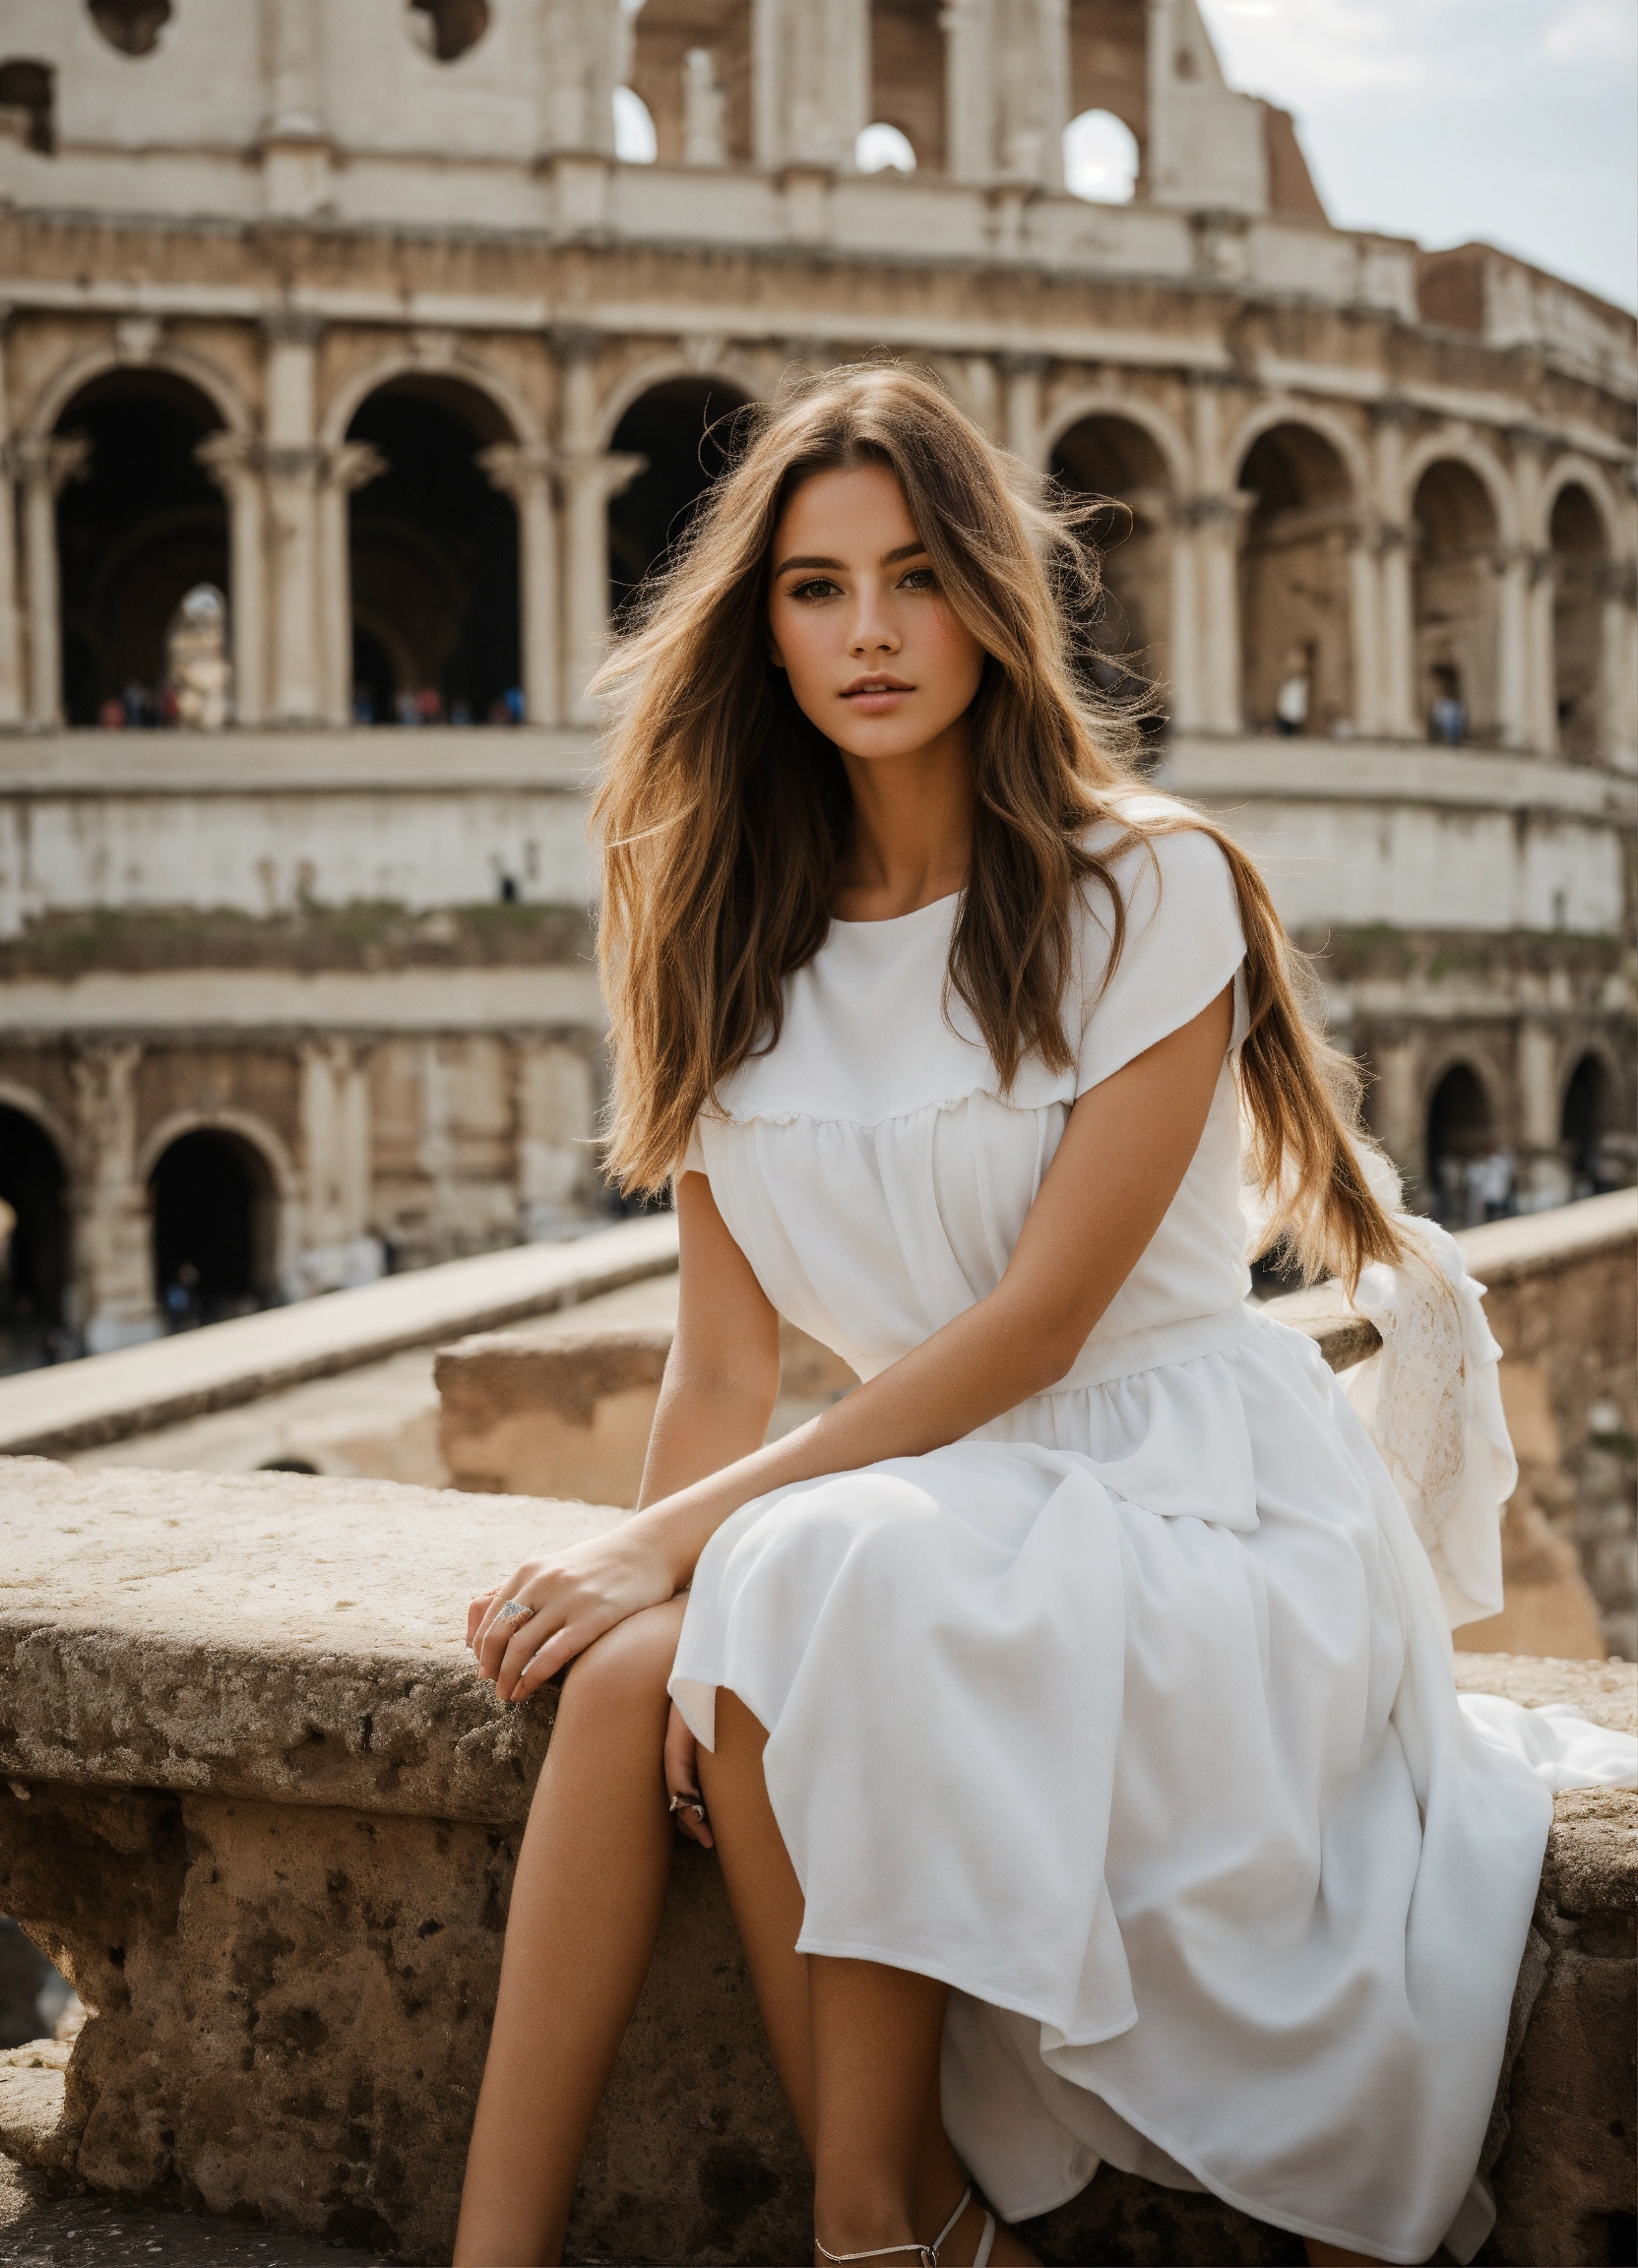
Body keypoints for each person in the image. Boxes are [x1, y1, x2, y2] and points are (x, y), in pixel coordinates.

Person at [452, 368, 1626, 2268]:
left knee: (789, 1575)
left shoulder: (1145, 886)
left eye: (917, 578)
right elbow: (723, 1364)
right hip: (916, 1515)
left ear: (996, 600)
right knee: (612, 1677)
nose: (872, 634)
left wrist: (669, 1544)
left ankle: (874, 2231)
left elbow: (1040, 1324)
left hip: (1192, 1505)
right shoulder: (714, 934)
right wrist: (656, 1608)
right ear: (760, 622)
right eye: (817, 588)